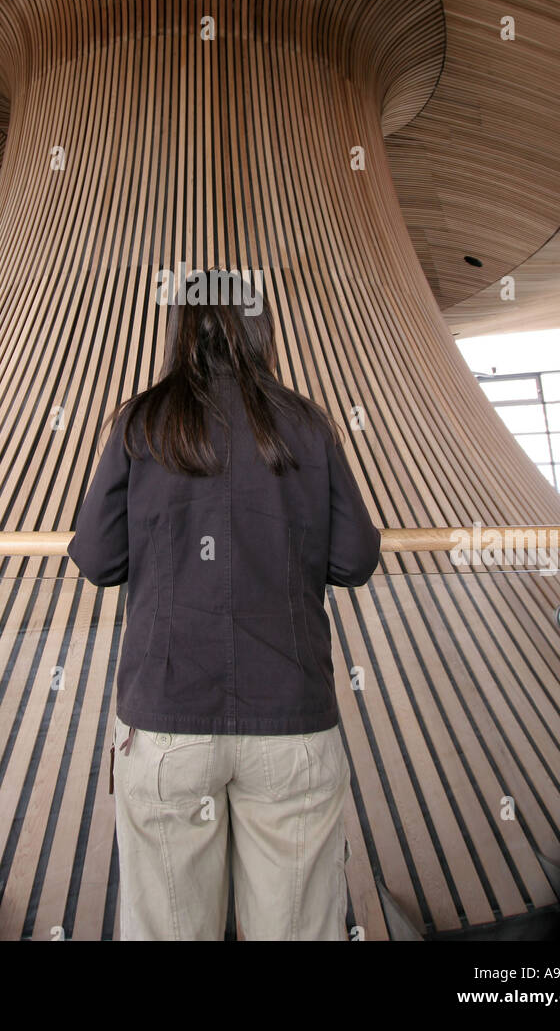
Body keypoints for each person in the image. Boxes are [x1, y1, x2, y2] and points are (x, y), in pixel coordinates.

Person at [68, 269, 383, 940]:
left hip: (168, 715)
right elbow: (355, 560)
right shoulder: (305, 424)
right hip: (292, 717)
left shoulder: (142, 421)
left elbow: (98, 560)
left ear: (180, 330)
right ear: (261, 328)